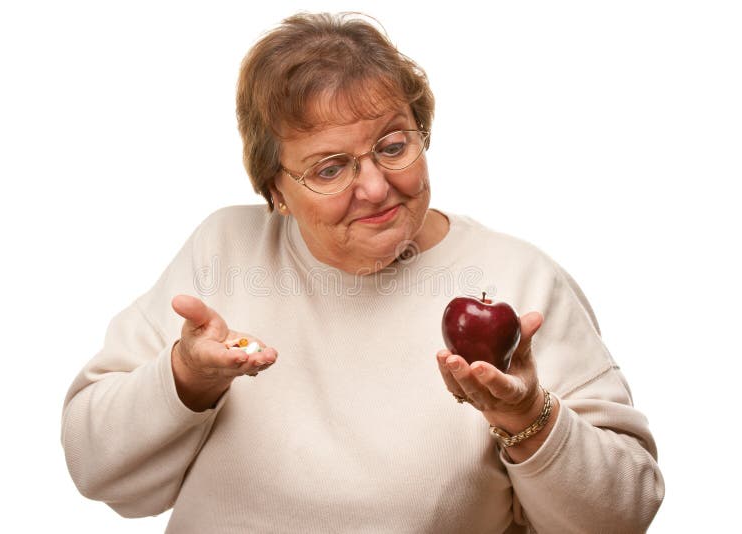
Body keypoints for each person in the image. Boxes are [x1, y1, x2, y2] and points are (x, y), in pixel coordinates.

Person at [61, 12, 664, 533]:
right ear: (276, 189)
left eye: (394, 145)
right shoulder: (226, 248)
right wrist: (185, 377)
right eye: (329, 169)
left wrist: (527, 419)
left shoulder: (518, 280)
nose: (376, 187)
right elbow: (95, 467)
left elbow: (623, 513)